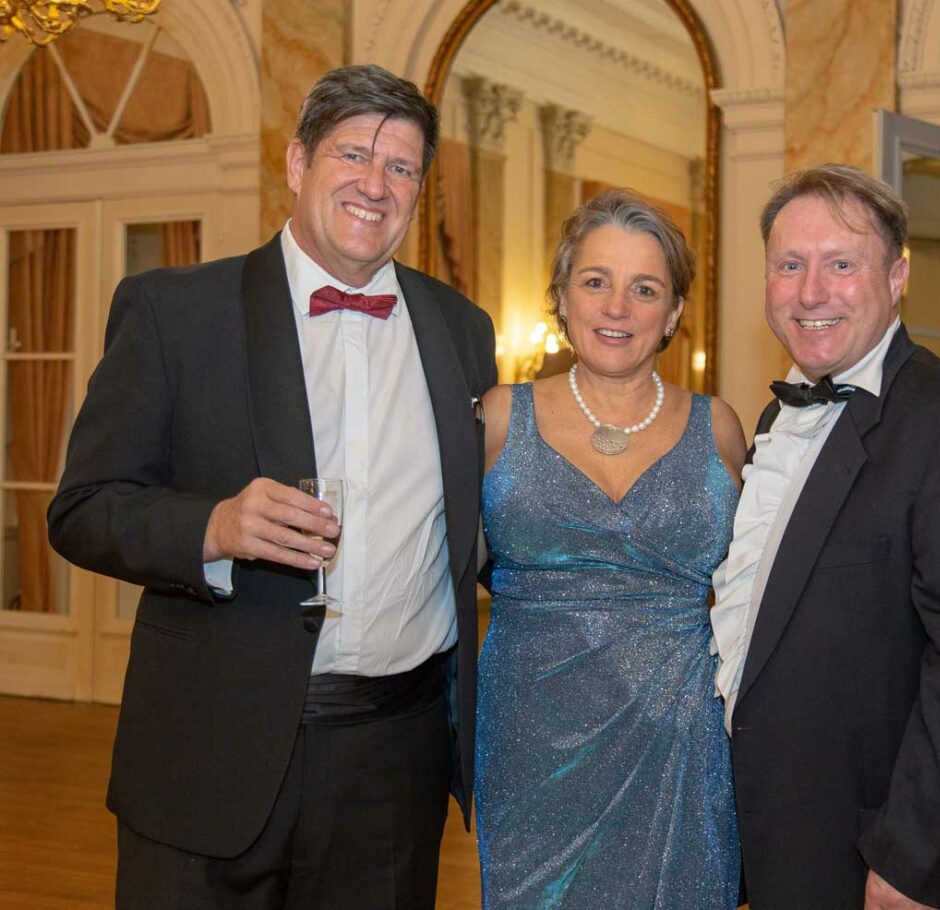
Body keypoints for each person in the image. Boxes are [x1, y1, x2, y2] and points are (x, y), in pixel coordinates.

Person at [47, 64, 496, 909]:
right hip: (208, 746)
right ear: (296, 163)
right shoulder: (175, 312)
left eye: (401, 168)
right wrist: (210, 527)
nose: (375, 183)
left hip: (392, 760)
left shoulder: (463, 331)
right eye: (352, 154)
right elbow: (82, 509)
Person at [710, 164, 940, 910]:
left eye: (842, 264)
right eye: (790, 265)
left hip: (891, 856)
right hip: (794, 832)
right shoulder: (775, 421)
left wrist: (910, 861)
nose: (811, 292)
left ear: (898, 276)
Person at [474, 189, 745, 908]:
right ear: (561, 297)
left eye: (644, 288)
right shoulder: (499, 417)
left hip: (680, 745)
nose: (616, 307)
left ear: (675, 314)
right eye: (596, 282)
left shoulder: (720, 428)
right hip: (532, 746)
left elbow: (758, 593)